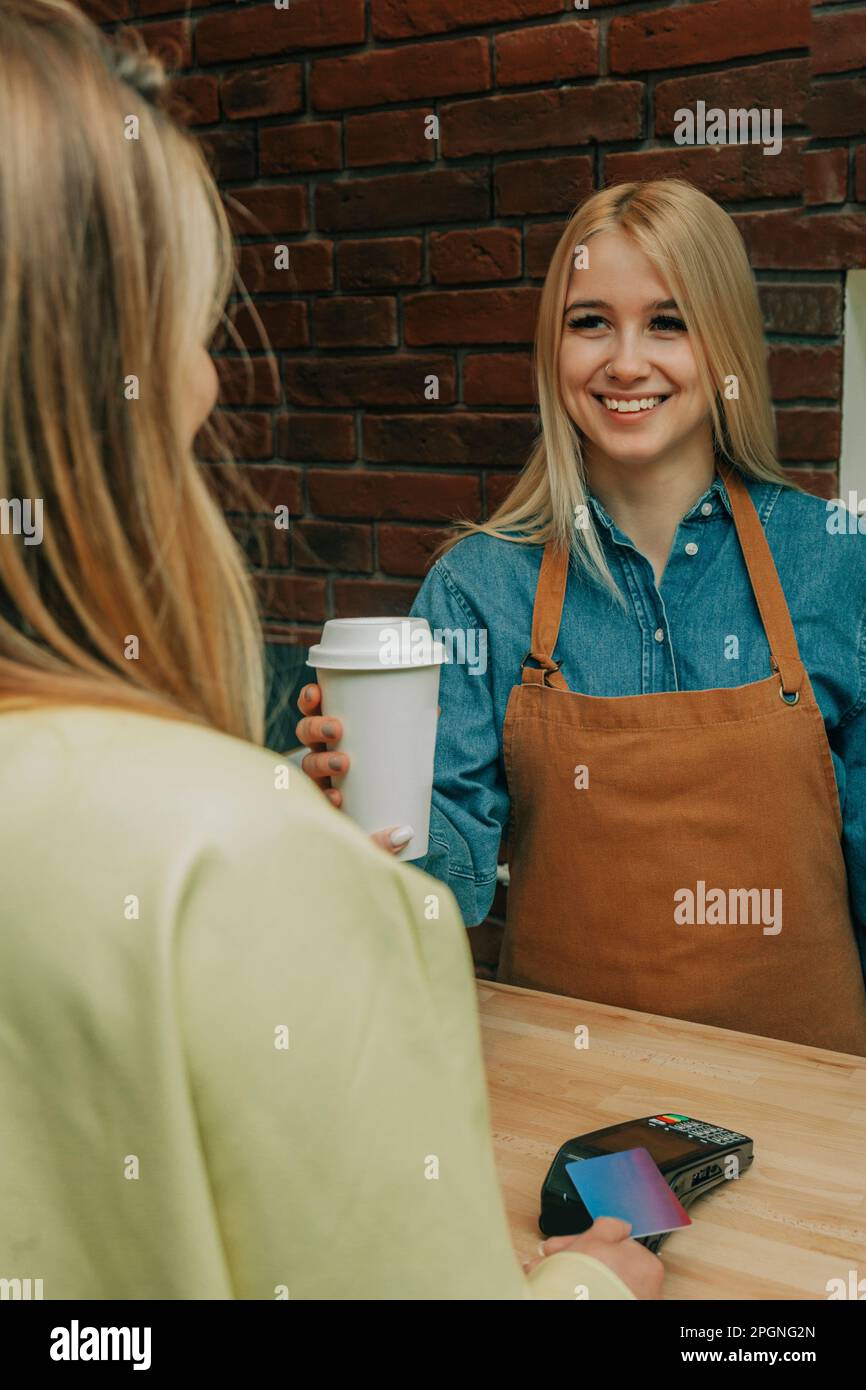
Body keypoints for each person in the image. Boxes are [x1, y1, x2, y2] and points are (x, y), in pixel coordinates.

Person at [0, 0, 663, 1300]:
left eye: (669, 323)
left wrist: (315, 870)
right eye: (192, 325)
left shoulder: (825, 565)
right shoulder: (242, 841)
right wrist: (592, 1282)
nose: (200, 381)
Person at [297, 180, 866, 1056]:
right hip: (567, 1099)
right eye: (590, 321)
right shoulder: (478, 588)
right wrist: (353, 815)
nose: (626, 362)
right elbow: (447, 887)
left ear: (725, 349)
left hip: (811, 1111)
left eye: (667, 323)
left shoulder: (836, 560)